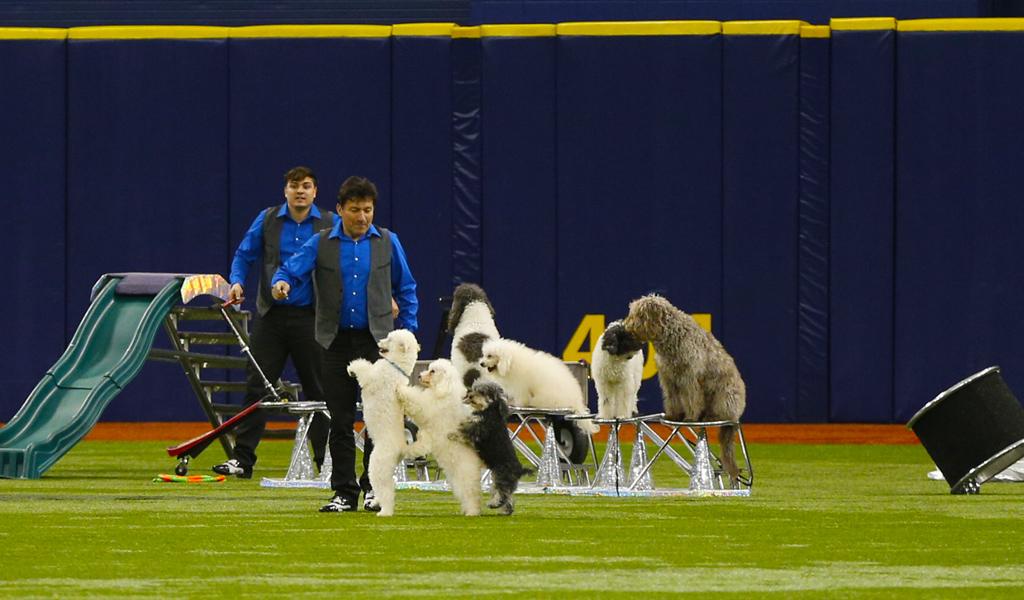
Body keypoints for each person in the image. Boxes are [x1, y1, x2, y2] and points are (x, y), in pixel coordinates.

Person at [272, 175, 418, 512]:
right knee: (339, 419)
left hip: (377, 344)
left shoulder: (388, 242)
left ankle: (373, 489)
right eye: (355, 210)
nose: (362, 217)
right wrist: (281, 283)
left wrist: (408, 332)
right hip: (334, 341)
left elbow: (406, 288)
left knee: (377, 422)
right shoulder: (321, 242)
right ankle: (343, 492)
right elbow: (290, 271)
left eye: (368, 210)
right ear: (339, 210)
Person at [212, 166, 334, 479]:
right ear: (285, 191)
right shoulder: (267, 219)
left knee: (318, 391)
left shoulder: (329, 223)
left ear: (315, 191)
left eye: (307, 186)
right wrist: (236, 282)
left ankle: (327, 463)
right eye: (294, 186)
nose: (300, 191)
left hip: (311, 317)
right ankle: (243, 460)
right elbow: (244, 254)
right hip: (272, 317)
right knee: (257, 386)